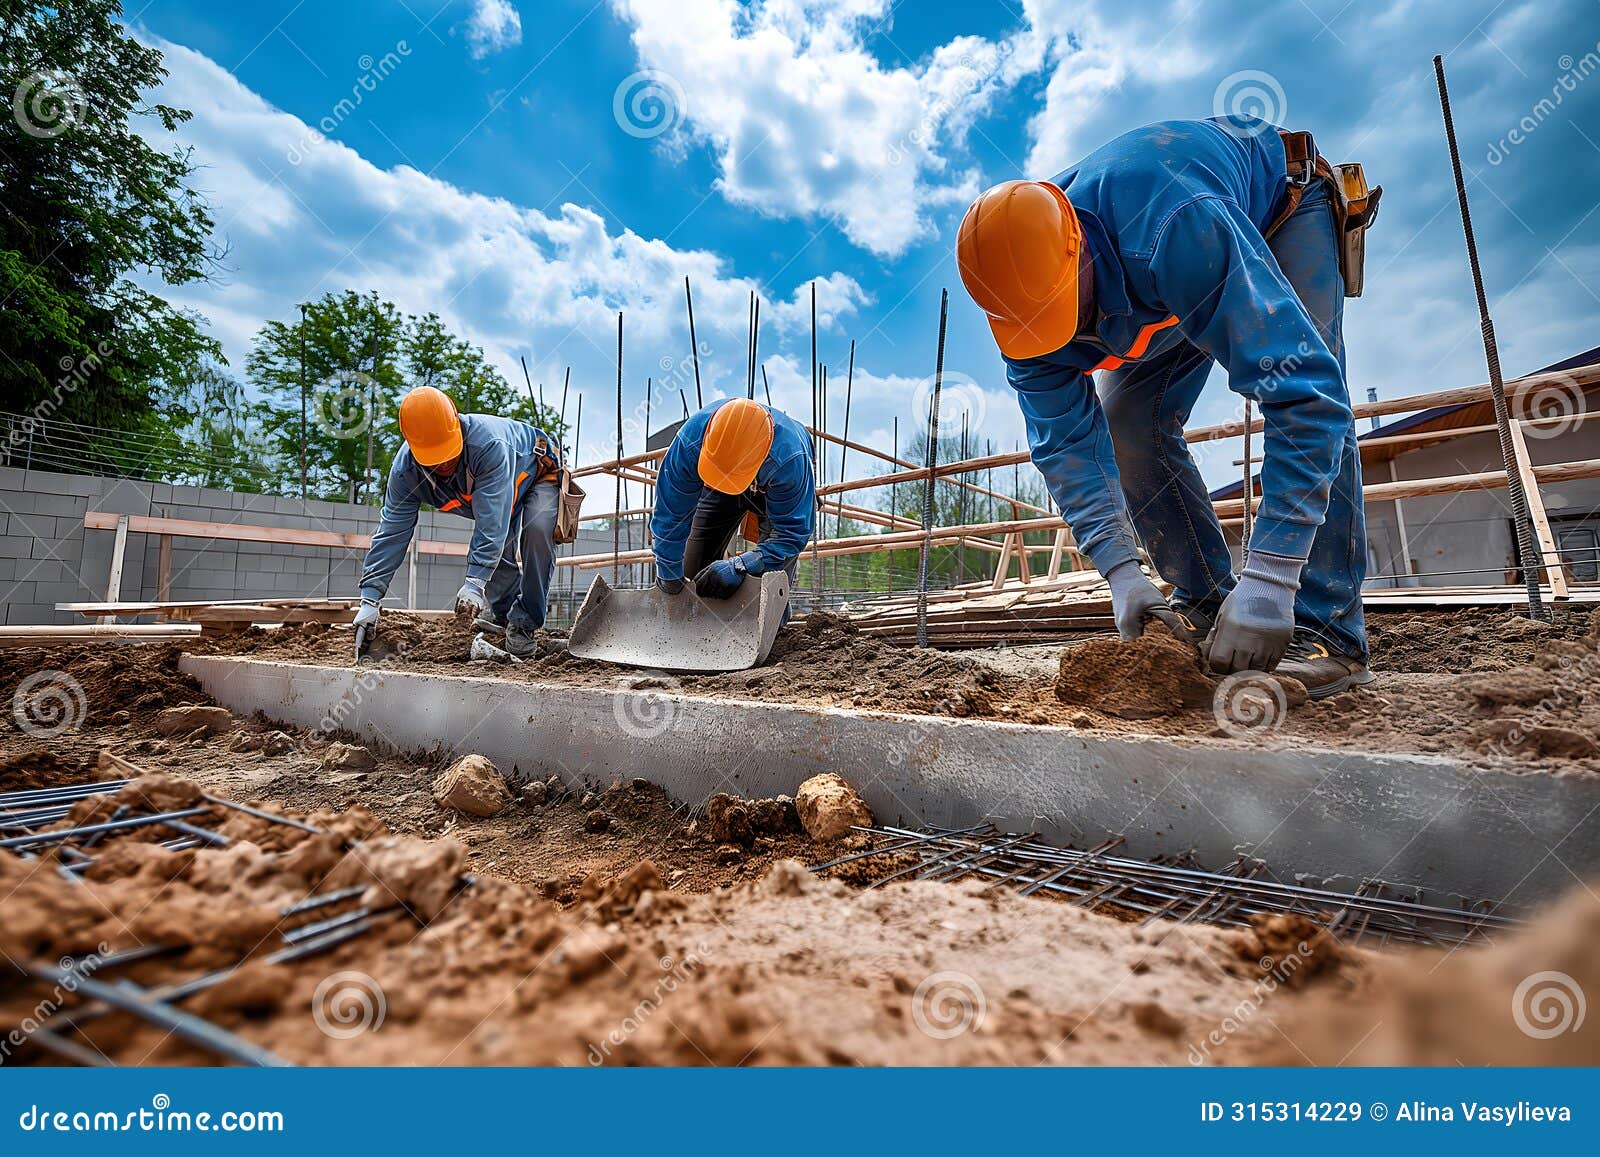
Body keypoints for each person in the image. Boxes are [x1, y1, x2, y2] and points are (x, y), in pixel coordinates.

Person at [956, 114, 1377, 697]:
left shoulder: (1175, 225)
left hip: (1280, 207)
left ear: (1078, 251)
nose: (1063, 340)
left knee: (1306, 380)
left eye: (1067, 316)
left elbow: (1308, 401)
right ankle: (1203, 599)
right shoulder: (1021, 298)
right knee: (1130, 419)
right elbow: (1067, 448)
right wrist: (1121, 571)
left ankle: (1326, 628)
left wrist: (1272, 576)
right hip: (1155, 271)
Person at [354, 385, 563, 658]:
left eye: (447, 455)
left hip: (535, 471)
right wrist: (370, 598)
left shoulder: (487, 445)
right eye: (434, 460)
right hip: (497, 488)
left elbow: (490, 522)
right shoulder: (405, 472)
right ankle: (503, 618)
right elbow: (392, 531)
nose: (443, 465)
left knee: (537, 531)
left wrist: (474, 583)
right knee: (498, 554)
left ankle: (525, 623)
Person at [650, 397, 814, 604]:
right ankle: (698, 627)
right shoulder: (689, 444)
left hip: (776, 486)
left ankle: (771, 629)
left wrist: (742, 565)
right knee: (692, 571)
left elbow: (790, 535)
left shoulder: (790, 461)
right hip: (715, 487)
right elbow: (669, 517)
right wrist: (669, 574)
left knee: (768, 579)